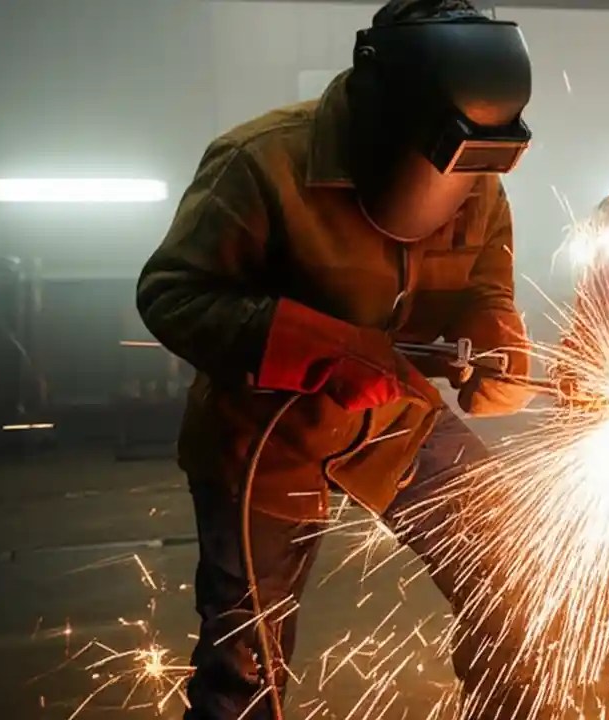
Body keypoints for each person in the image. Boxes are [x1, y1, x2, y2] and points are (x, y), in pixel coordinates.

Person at [136, 1, 539, 717]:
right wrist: (320, 349)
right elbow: (172, 294)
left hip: (398, 420)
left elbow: (483, 287)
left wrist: (493, 339)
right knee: (243, 666)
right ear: (382, 104)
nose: (464, 178)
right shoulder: (260, 162)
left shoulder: (477, 174)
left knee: (519, 576)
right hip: (264, 435)